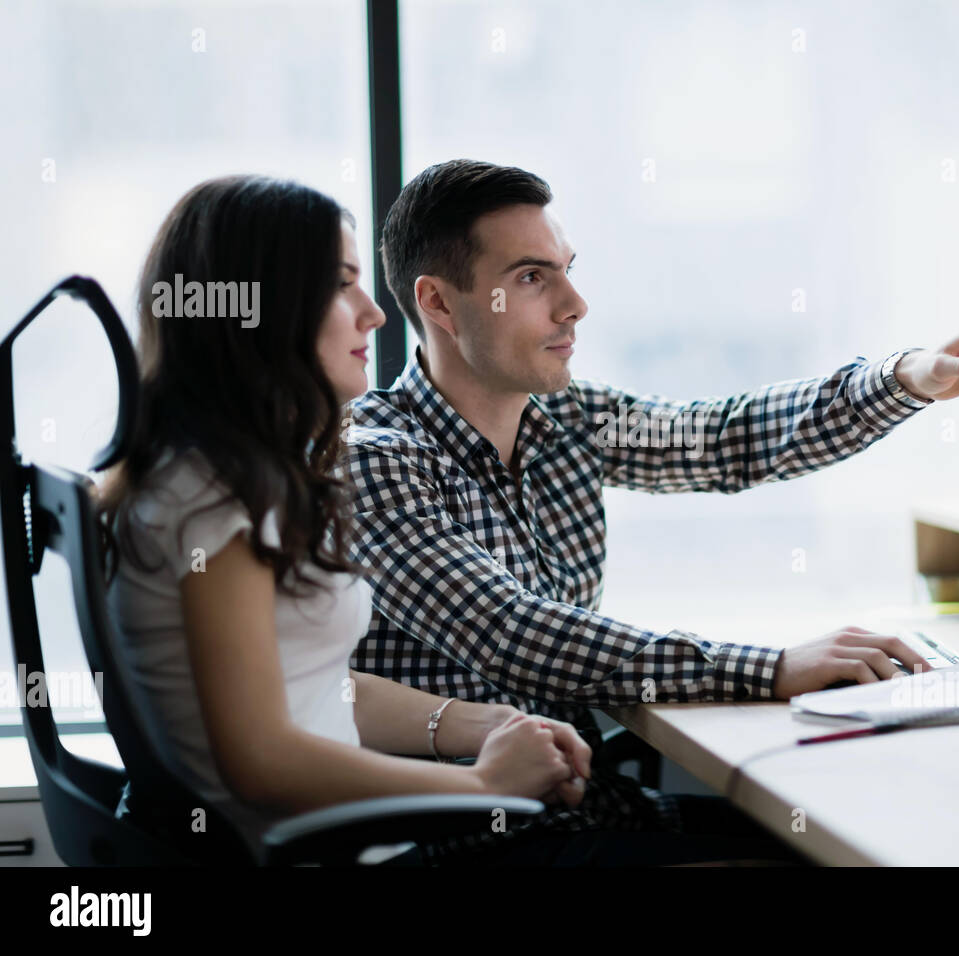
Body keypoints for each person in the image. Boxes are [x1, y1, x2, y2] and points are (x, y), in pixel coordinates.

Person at [343, 158, 959, 865]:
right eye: (532, 277)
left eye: (567, 268)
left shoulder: (567, 417)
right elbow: (511, 632)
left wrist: (908, 378)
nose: (575, 304)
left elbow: (726, 438)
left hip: (583, 812)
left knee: (870, 832)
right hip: (470, 839)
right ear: (437, 302)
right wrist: (771, 667)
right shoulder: (373, 458)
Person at [100, 174, 591, 861]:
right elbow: (263, 760)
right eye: (340, 284)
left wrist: (478, 725)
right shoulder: (211, 504)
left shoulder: (226, 473)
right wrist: (484, 785)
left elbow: (308, 684)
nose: (375, 313)